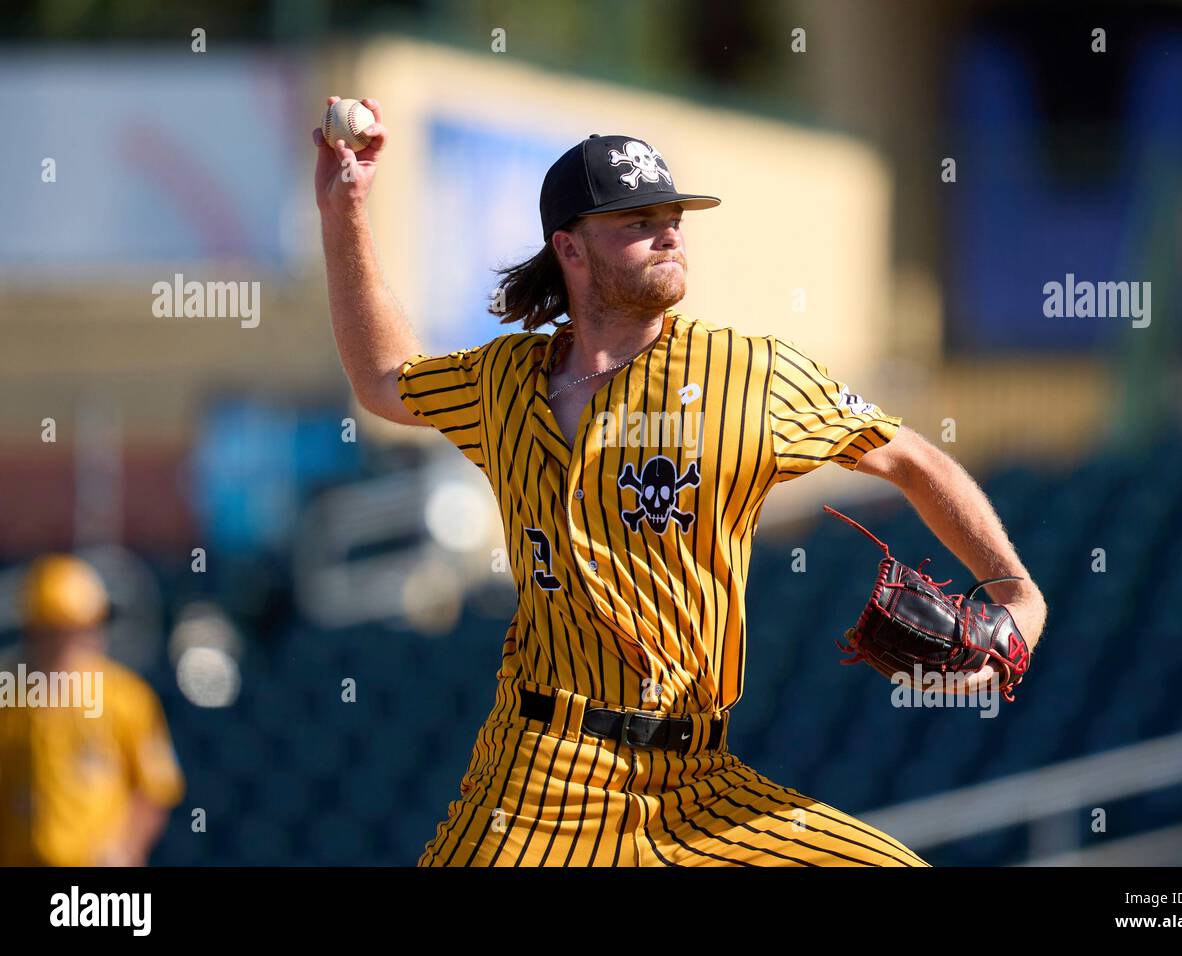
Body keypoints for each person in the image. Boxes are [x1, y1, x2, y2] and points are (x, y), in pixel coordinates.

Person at [313, 98, 1047, 866]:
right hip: (541, 783)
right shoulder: (505, 381)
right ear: (569, 249)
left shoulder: (750, 376)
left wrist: (1015, 591)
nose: (667, 230)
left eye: (672, 214)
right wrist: (347, 210)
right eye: (635, 220)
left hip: (700, 787)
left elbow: (914, 461)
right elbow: (384, 379)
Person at [0, 555, 185, 866]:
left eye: (78, 631)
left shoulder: (126, 698)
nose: (66, 646)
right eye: (53, 633)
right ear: (32, 634)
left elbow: (155, 787)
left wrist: (124, 848)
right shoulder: (9, 700)